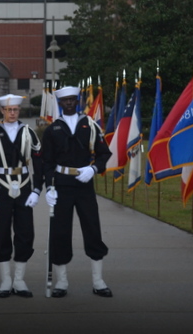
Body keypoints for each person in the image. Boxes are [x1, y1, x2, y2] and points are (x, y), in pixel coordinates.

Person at [41, 86, 113, 298]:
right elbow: (47, 162)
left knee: (92, 228)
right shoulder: (53, 129)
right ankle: (62, 281)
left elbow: (104, 154)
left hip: (84, 184)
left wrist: (93, 169)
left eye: (73, 100)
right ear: (60, 103)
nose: (69, 103)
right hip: (62, 184)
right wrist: (49, 187)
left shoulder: (90, 126)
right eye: (65, 101)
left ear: (78, 101)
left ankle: (98, 281)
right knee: (60, 231)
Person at [0, 94, 42, 298]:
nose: (12, 113)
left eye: (16, 110)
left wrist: (37, 189)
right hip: (1, 187)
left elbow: (39, 162)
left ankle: (19, 279)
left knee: (25, 232)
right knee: (2, 232)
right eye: (8, 109)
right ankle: (5, 279)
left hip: (23, 186)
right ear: (2, 111)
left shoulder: (29, 132)